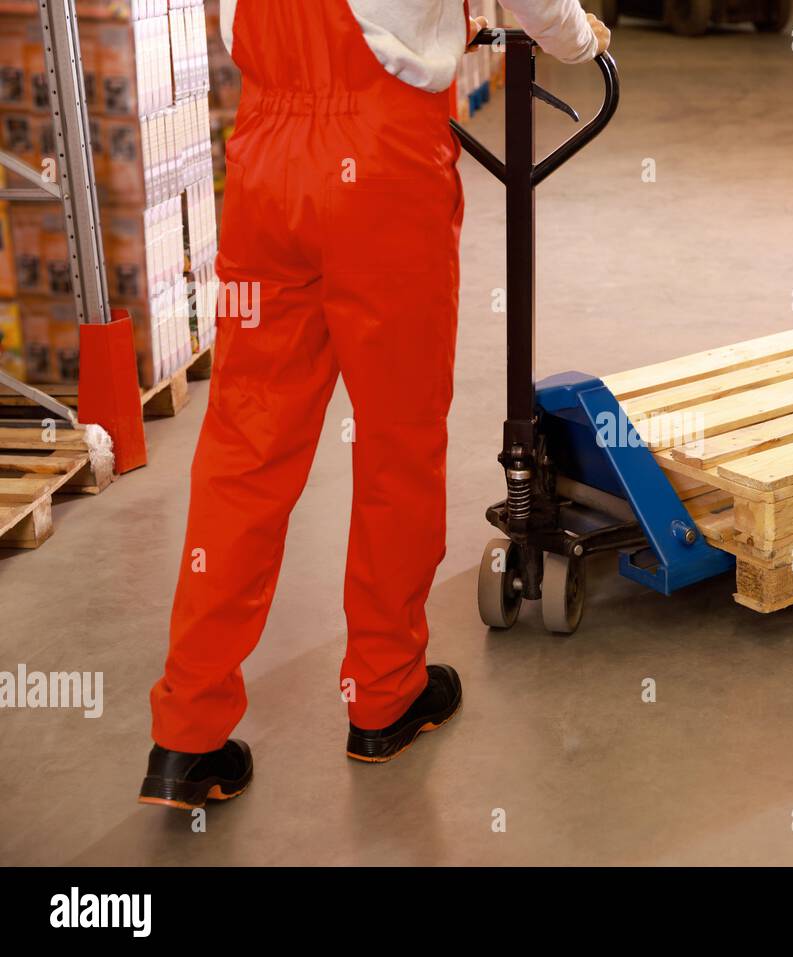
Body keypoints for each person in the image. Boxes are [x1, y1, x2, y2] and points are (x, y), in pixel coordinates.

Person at [138, 0, 611, 810]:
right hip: (380, 161)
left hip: (263, 159)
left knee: (244, 446)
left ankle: (187, 736)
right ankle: (385, 695)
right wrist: (578, 37)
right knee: (397, 439)